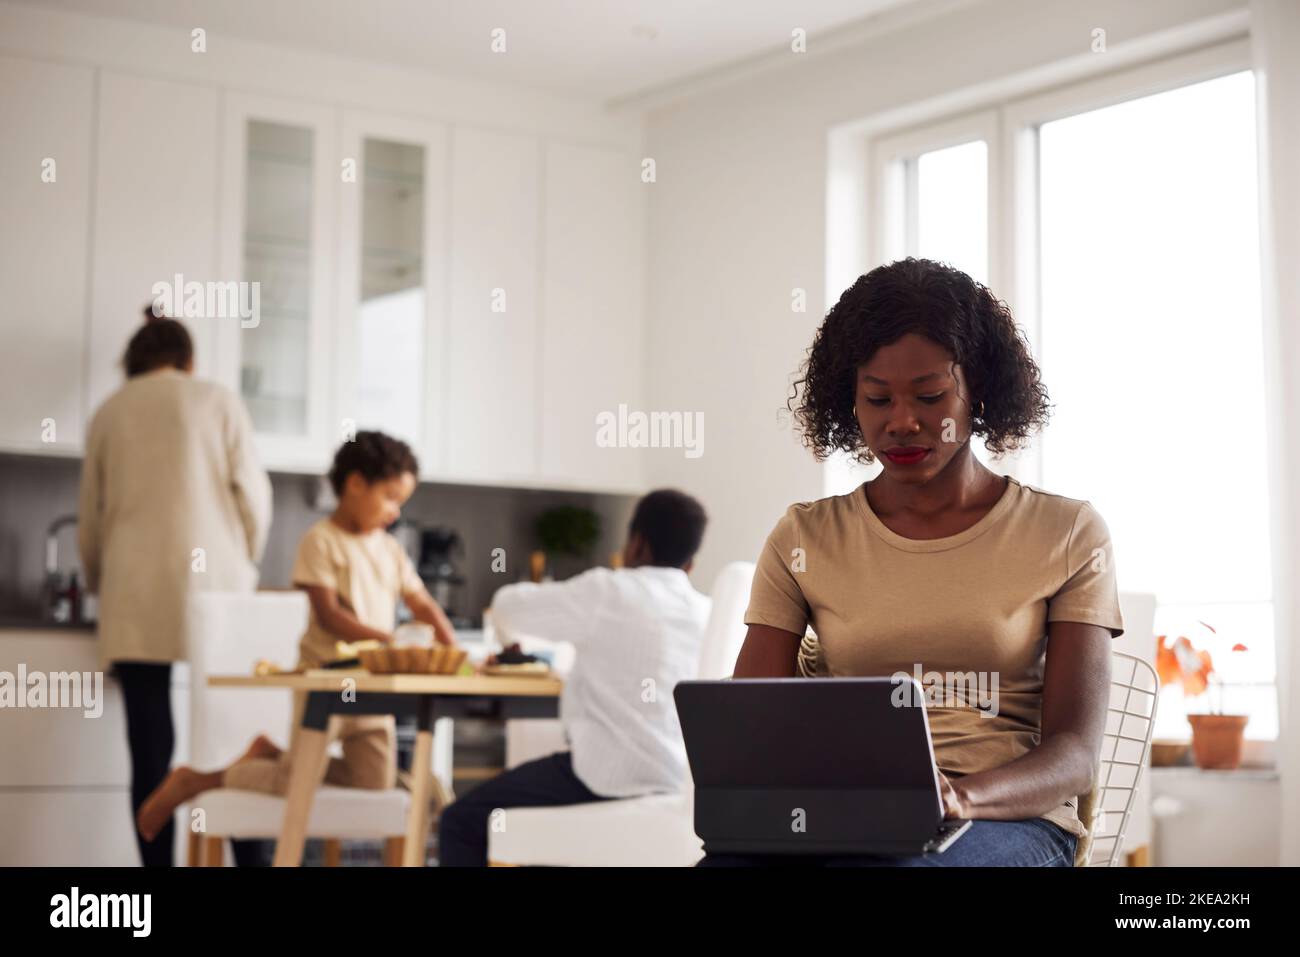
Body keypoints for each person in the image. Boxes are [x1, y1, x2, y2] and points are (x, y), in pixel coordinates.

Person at [707, 257, 1124, 867]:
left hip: (1006, 818)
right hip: (842, 811)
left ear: (977, 389)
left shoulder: (1066, 532)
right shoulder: (805, 536)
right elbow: (752, 723)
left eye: (930, 396)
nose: (901, 422)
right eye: (877, 399)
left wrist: (960, 797)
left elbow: (1075, 755)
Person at [135, 430, 458, 840]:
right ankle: (196, 780)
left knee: (375, 781)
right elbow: (329, 615)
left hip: (372, 690)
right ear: (356, 484)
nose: (395, 512)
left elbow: (424, 604)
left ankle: (274, 756)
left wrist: (454, 648)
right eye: (391, 498)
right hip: (325, 684)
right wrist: (389, 641)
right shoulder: (320, 541)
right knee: (293, 783)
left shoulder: (389, 549)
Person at [79, 310, 272, 867]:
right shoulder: (218, 400)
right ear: (188, 360)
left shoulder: (109, 413)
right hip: (217, 592)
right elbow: (255, 500)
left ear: (134, 363)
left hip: (135, 595)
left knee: (150, 752)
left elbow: (90, 521)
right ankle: (253, 864)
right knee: (233, 743)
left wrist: (98, 585)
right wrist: (244, 567)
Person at [437, 489, 711, 866]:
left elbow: (507, 607)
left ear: (636, 543)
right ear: (691, 562)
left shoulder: (608, 591)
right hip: (678, 783)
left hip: (606, 778)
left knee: (458, 822)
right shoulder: (704, 611)